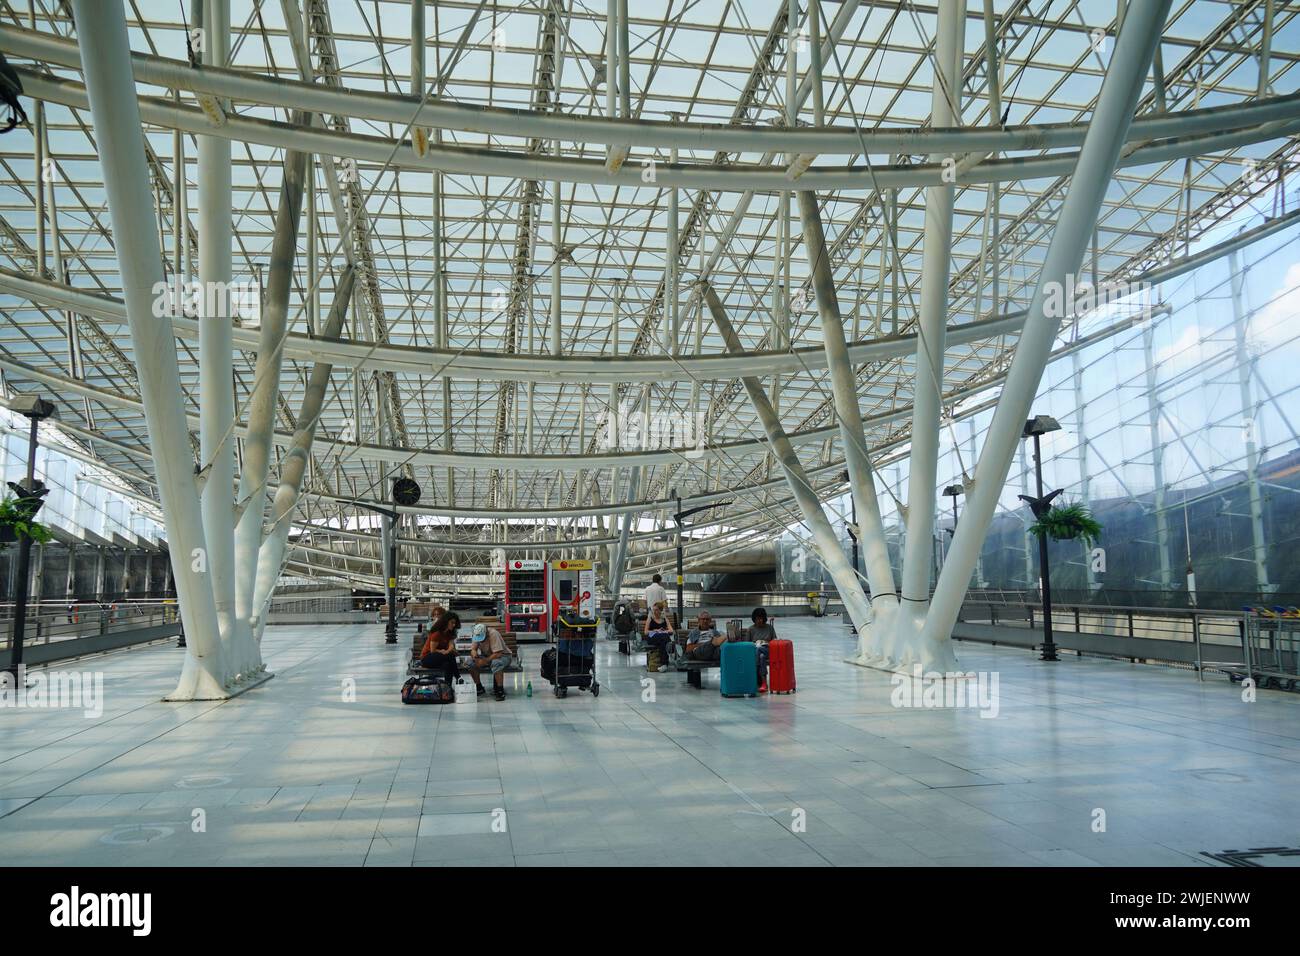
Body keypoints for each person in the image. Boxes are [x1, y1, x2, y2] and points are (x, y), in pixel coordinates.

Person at [468, 622, 512, 701]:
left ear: (486, 633)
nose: (480, 641)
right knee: (470, 663)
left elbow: (498, 653)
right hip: (488, 656)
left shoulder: (493, 634)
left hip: (503, 656)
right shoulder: (476, 633)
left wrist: (484, 661)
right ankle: (479, 687)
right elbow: (473, 649)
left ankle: (500, 690)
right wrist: (475, 656)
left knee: (496, 663)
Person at [419, 612, 461, 683]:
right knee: (450, 656)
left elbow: (451, 645)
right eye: (452, 622)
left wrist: (447, 651)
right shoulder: (437, 633)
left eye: (455, 623)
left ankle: (447, 687)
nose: (454, 625)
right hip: (427, 658)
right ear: (446, 622)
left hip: (440, 658)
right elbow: (433, 651)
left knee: (448, 665)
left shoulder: (449, 633)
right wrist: (443, 651)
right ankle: (458, 676)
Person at [746, 607, 778, 693]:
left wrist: (766, 643)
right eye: (757, 619)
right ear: (754, 619)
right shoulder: (751, 629)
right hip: (755, 651)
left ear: (764, 618)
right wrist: (755, 644)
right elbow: (747, 644)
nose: (759, 621)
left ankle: (756, 676)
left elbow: (774, 641)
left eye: (761, 618)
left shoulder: (769, 628)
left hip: (767, 649)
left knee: (760, 651)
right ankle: (764, 683)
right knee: (761, 656)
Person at [643, 601, 675, 673]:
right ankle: (665, 661)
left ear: (661, 610)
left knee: (663, 639)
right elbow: (646, 632)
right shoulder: (650, 618)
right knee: (664, 637)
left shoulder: (664, 619)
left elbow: (671, 630)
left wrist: (663, 631)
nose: (654, 611)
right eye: (653, 610)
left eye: (656, 610)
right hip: (652, 637)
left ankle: (664, 664)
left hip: (662, 638)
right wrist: (656, 630)